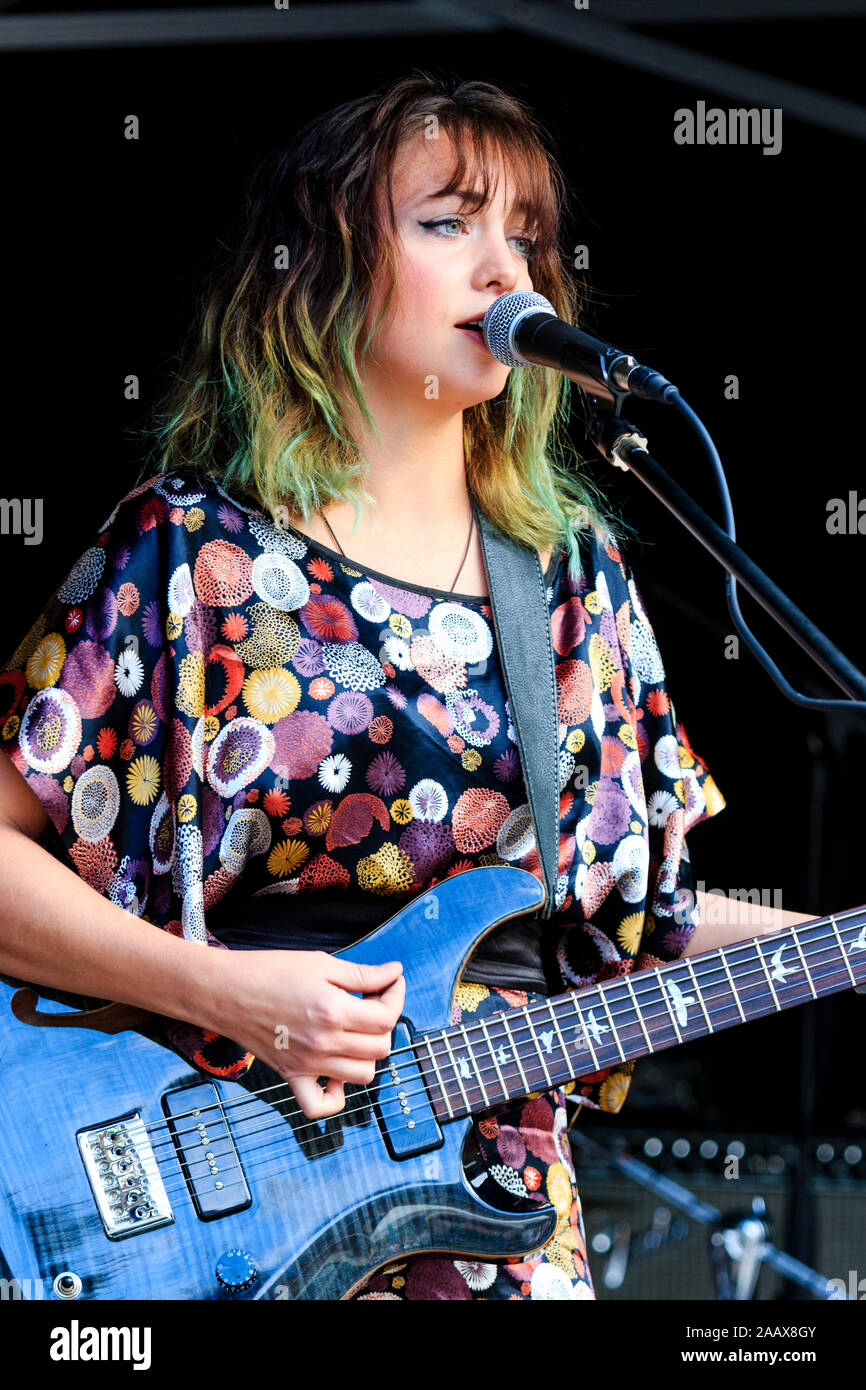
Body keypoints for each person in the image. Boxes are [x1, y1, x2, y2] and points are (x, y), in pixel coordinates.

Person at [0, 71, 812, 1301]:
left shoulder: (569, 576)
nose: (504, 272)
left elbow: (647, 913)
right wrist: (218, 988)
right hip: (209, 1213)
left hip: (496, 1225)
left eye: (524, 238)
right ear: (321, 266)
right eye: (447, 223)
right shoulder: (190, 552)